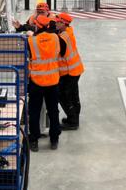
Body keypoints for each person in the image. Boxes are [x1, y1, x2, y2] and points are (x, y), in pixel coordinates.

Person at [27, 15, 64, 151]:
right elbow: (63, 51)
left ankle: (34, 140)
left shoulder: (31, 41)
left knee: (34, 112)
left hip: (37, 82)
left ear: (37, 26)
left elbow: (28, 57)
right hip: (53, 81)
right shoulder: (55, 38)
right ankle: (54, 139)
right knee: (53, 111)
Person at [55, 13, 84, 130]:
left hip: (69, 72)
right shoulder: (68, 31)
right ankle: (74, 117)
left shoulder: (63, 38)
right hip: (75, 69)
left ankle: (73, 121)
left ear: (63, 23)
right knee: (73, 95)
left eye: (57, 22)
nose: (55, 23)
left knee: (63, 95)